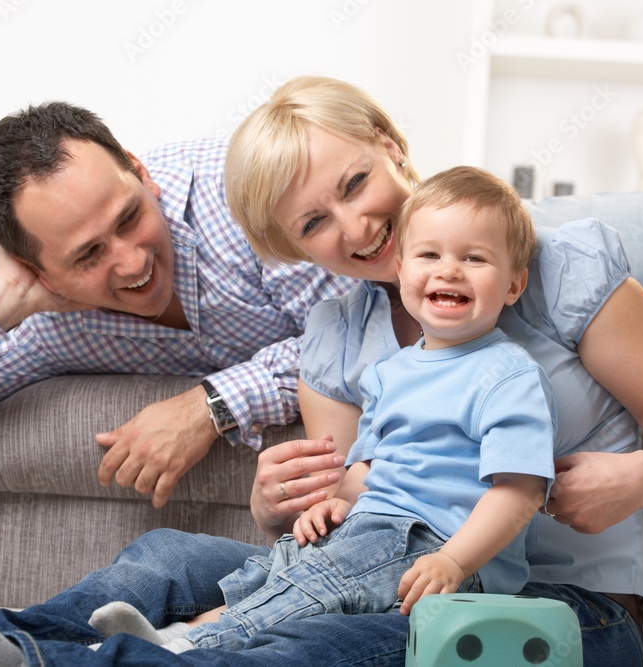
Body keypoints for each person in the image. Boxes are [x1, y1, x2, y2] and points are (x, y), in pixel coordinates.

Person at [0, 76, 643, 666]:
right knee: (167, 557)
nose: (355, 228)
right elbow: (358, 503)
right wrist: (290, 504)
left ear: (392, 149)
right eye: (314, 226)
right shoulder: (336, 330)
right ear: (296, 252)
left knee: (310, 646)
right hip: (398, 568)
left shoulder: (560, 267)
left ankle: (55, 665)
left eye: (357, 186)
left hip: (556, 611)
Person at [94, 165, 556, 654]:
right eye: (429, 255)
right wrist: (339, 503)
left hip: (440, 551)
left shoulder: (508, 374)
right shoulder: (389, 373)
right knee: (277, 568)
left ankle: (188, 647)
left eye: (475, 258)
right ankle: (183, 634)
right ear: (402, 271)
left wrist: (457, 562)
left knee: (322, 581)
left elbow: (519, 493)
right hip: (373, 533)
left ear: (513, 285)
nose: (448, 270)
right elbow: (368, 468)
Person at [0, 101, 355, 508]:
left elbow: (368, 334)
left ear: (138, 171)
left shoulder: (242, 191)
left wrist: (209, 405)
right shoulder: (46, 317)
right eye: (88, 254)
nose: (132, 263)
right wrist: (3, 299)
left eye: (129, 218)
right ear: (37, 270)